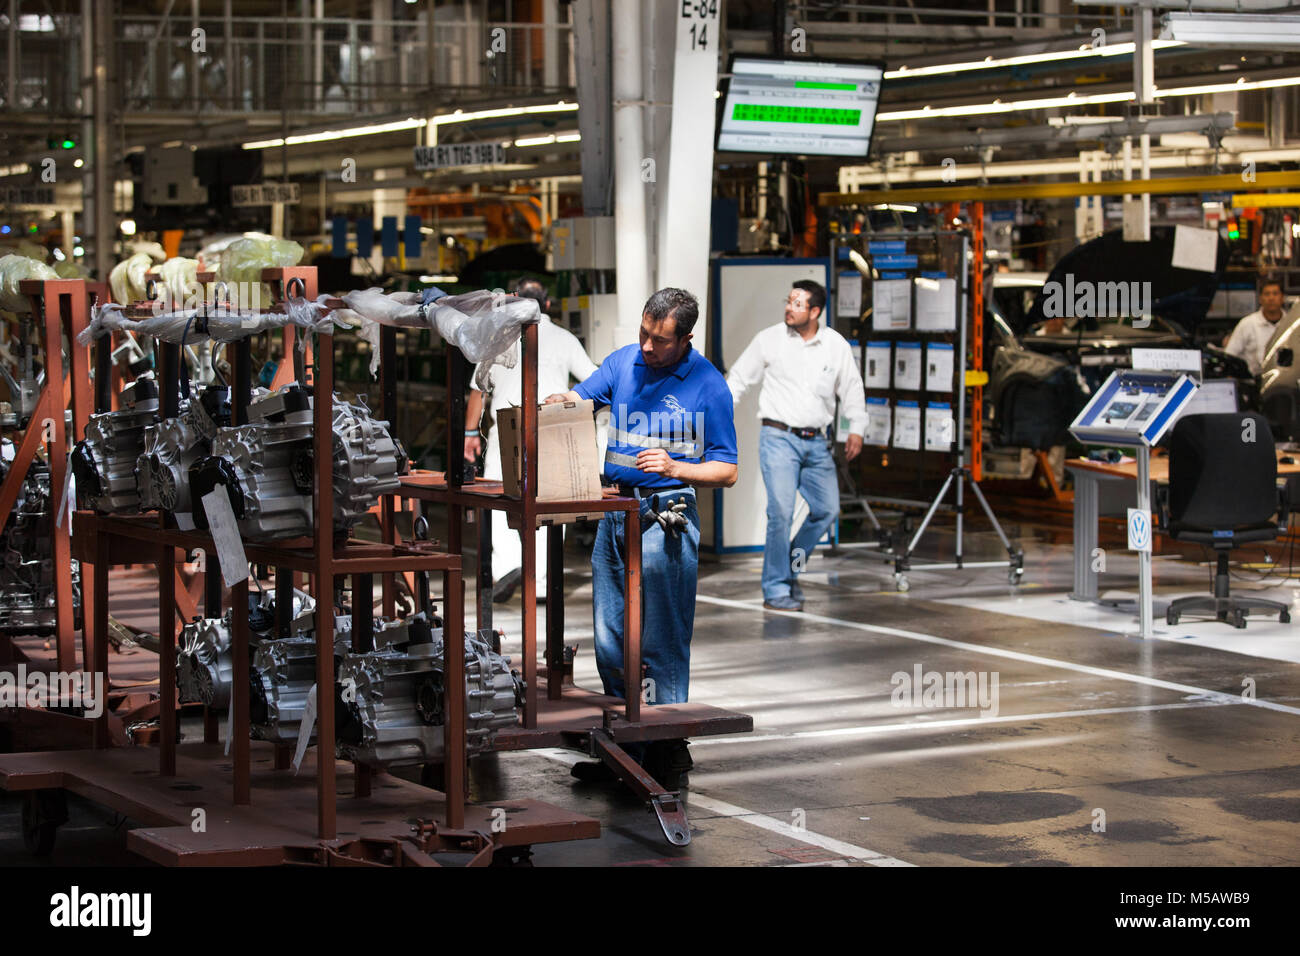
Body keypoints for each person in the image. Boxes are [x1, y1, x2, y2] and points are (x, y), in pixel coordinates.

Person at [545, 288, 737, 787]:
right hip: (615, 512)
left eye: (660, 340)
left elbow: (729, 469)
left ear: (686, 339)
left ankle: (668, 752)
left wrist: (679, 467)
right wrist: (560, 398)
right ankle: (627, 748)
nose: (648, 347)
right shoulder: (623, 362)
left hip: (666, 516)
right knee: (610, 639)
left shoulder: (708, 385)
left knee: (661, 643)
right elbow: (582, 397)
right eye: (644, 334)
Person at [726, 279, 868, 612]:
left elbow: (852, 389)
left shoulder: (835, 346)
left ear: (815, 311)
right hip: (778, 439)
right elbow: (737, 380)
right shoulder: (769, 340)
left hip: (816, 441)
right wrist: (717, 415)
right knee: (781, 513)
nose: (789, 307)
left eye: (798, 303)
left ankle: (790, 567)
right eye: (789, 301)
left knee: (827, 510)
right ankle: (776, 588)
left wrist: (856, 429)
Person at [463, 276, 599, 601]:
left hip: (505, 429)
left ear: (511, 300)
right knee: (549, 505)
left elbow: (477, 390)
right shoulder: (565, 338)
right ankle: (539, 581)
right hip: (553, 428)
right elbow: (593, 381)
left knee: (502, 500)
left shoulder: (497, 338)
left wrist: (470, 434)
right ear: (548, 304)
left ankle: (507, 571)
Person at [1225, 276, 1289, 377]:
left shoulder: (1291, 324)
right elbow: (1229, 355)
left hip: (1286, 382)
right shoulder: (1247, 324)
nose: (1271, 298)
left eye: (1275, 294)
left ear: (1282, 298)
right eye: (1267, 294)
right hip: (1253, 382)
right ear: (1260, 299)